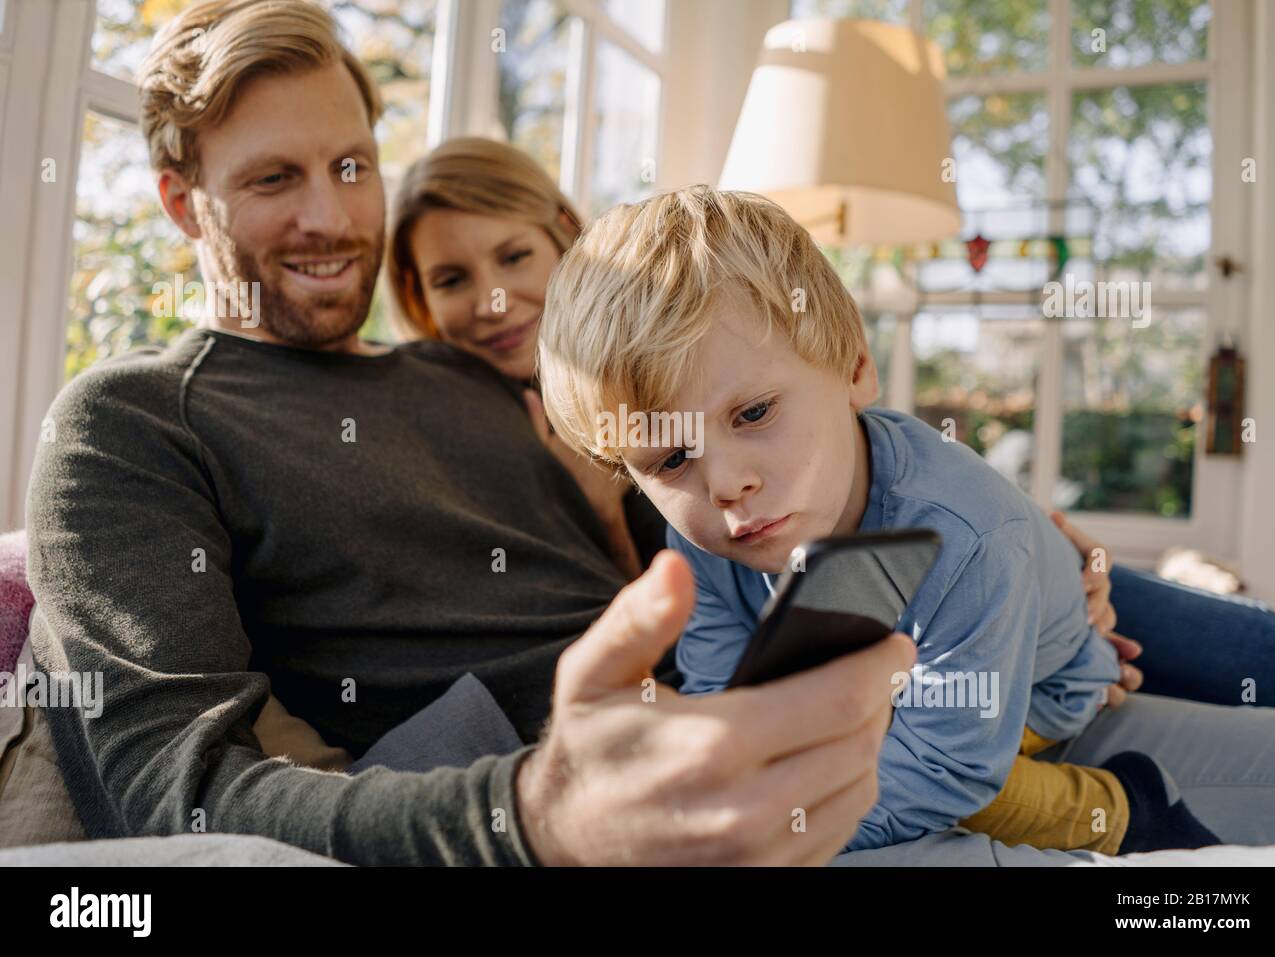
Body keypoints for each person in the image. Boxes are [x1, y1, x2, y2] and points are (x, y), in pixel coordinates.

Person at [20, 0, 911, 866]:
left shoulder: (478, 372)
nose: (330, 218)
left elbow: (715, 537)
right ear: (182, 204)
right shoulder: (132, 419)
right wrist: (540, 815)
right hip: (585, 799)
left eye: (352, 166)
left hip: (787, 723)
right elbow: (178, 795)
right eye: (272, 178)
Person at [535, 184, 1275, 854]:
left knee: (940, 772)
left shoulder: (963, 526)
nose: (727, 481)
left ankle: (1120, 810)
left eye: (755, 412)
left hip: (1037, 694)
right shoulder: (696, 541)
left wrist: (778, 819)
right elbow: (719, 688)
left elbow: (950, 765)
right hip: (888, 693)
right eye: (670, 462)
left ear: (855, 369)